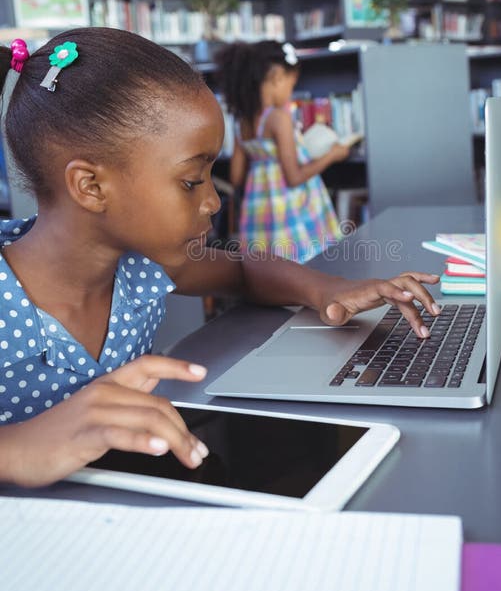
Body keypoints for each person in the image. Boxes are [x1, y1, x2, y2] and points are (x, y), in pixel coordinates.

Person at [0, 28, 440, 488]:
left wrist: (329, 290)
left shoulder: (143, 267)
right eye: (192, 181)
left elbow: (241, 269)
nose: (213, 201)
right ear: (91, 186)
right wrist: (15, 449)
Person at [216, 39, 348, 263]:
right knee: (302, 265)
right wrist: (331, 156)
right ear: (277, 78)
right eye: (291, 84)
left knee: (270, 268)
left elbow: (236, 177)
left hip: (258, 210)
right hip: (290, 210)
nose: (290, 92)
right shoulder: (278, 118)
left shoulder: (242, 121)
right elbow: (294, 177)